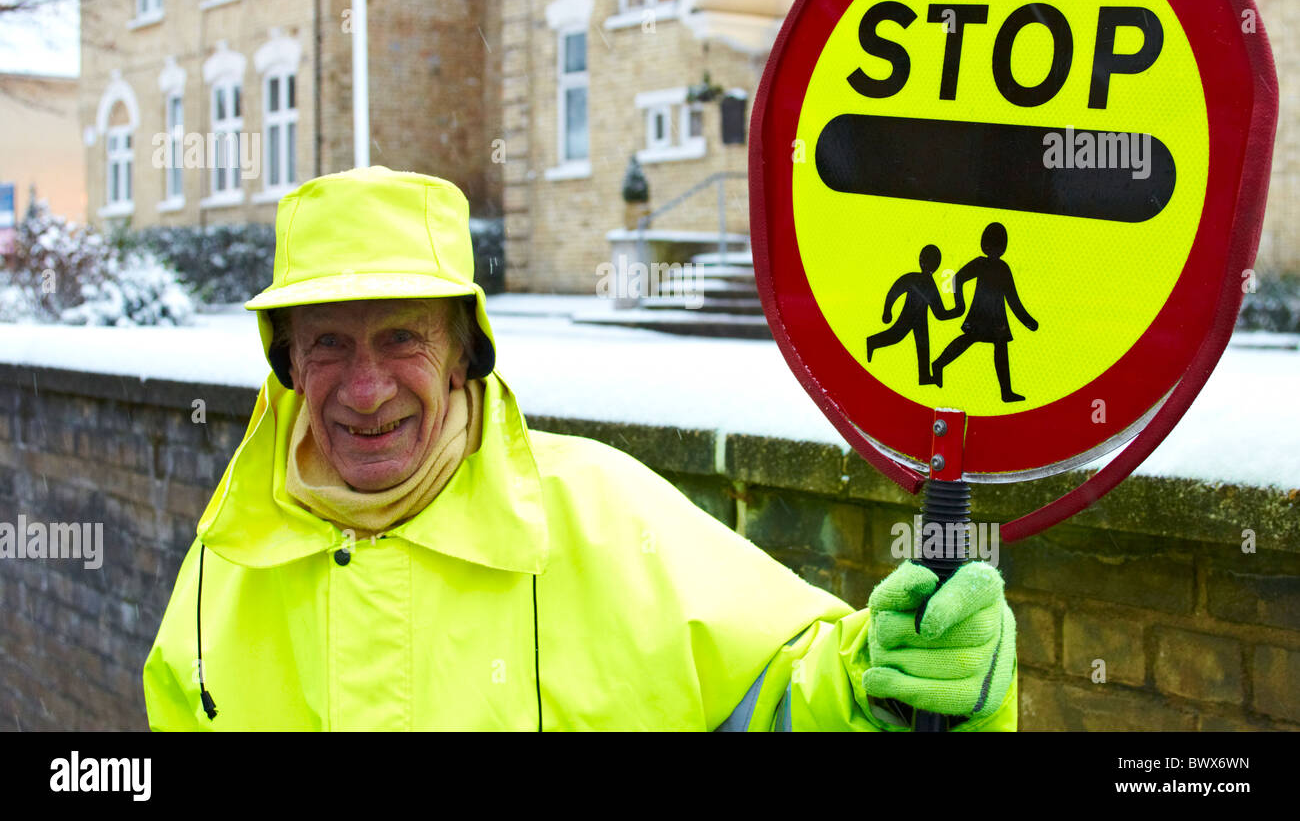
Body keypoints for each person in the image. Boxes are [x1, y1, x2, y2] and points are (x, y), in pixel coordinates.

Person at [142, 166, 1017, 731]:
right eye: (329, 343)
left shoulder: (602, 511)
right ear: (287, 362)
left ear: (462, 355)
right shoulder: (224, 571)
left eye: (402, 338)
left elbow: (792, 692)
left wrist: (901, 678)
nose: (366, 390)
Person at [931, 222, 1038, 402]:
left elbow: (1012, 298)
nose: (995, 250)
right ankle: (938, 364)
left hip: (996, 317)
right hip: (982, 314)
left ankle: (1006, 392)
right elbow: (957, 279)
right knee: (968, 341)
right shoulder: (981, 264)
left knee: (999, 347)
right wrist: (960, 305)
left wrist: (1027, 320)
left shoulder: (1003, 268)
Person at [867, 243, 964, 385]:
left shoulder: (924, 282)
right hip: (909, 316)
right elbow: (895, 291)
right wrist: (887, 310)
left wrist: (957, 311)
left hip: (920, 320)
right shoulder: (915, 279)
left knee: (923, 345)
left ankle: (924, 376)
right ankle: (872, 342)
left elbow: (939, 313)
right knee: (896, 336)